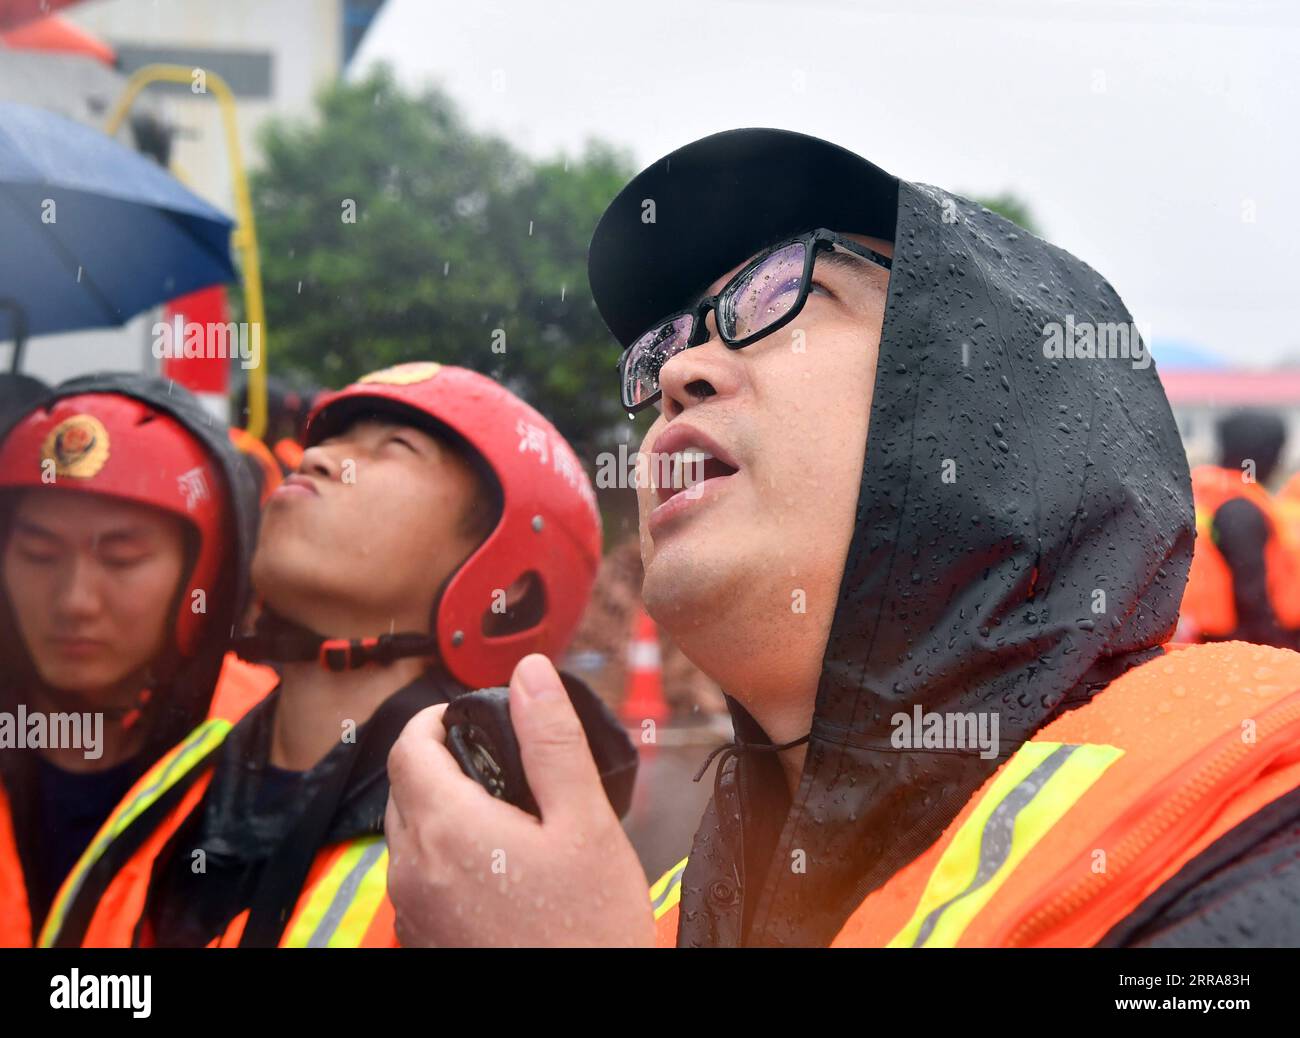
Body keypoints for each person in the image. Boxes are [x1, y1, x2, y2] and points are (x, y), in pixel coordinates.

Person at [385, 128, 1300, 948]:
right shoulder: (652, 913)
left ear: (976, 392)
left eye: (780, 294)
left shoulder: (1254, 800)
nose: (681, 374)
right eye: (664, 346)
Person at [52, 361, 601, 947]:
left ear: (507, 577)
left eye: (394, 447)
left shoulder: (501, 858)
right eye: (331, 440)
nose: (313, 458)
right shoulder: (181, 770)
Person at [0, 373, 272, 947]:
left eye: (122, 559)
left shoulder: (270, 742)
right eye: (38, 554)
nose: (74, 601)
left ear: (203, 574)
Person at [1179, 409, 1300, 646]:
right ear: (1268, 454)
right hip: (1237, 644)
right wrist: (1279, 650)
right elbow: (1251, 596)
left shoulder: (1205, 495)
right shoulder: (1241, 508)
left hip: (1202, 636)